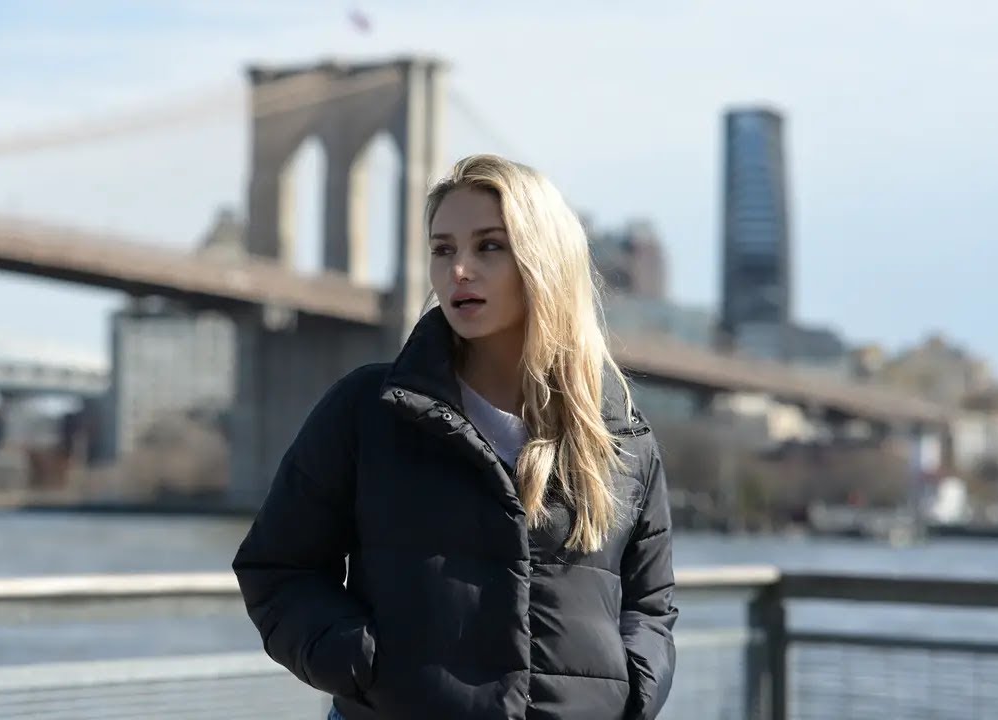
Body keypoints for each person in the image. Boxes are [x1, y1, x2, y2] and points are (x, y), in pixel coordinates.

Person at [232, 154, 678, 720]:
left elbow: (650, 607)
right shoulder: (367, 413)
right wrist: (368, 667)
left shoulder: (623, 439)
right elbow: (278, 569)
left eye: (489, 245)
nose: (459, 270)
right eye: (443, 249)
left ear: (546, 260)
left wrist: (631, 690)